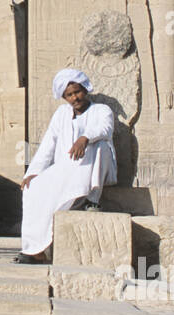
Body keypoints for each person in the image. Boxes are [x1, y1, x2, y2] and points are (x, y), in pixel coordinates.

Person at [17, 69, 116, 264]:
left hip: (95, 165)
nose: (75, 98)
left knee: (100, 145)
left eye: (77, 92)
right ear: (64, 97)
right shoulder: (61, 114)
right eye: (69, 95)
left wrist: (85, 138)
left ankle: (92, 200)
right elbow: (48, 145)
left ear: (84, 90)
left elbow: (105, 128)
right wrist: (33, 173)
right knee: (32, 189)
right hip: (66, 168)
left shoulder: (101, 110)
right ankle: (35, 249)